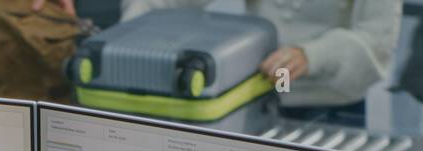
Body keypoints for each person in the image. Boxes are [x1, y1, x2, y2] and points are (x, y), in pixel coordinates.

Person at [38, 0, 402, 127]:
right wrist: (129, 33)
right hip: (260, 100)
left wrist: (311, 55)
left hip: (333, 108)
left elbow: (378, 38)